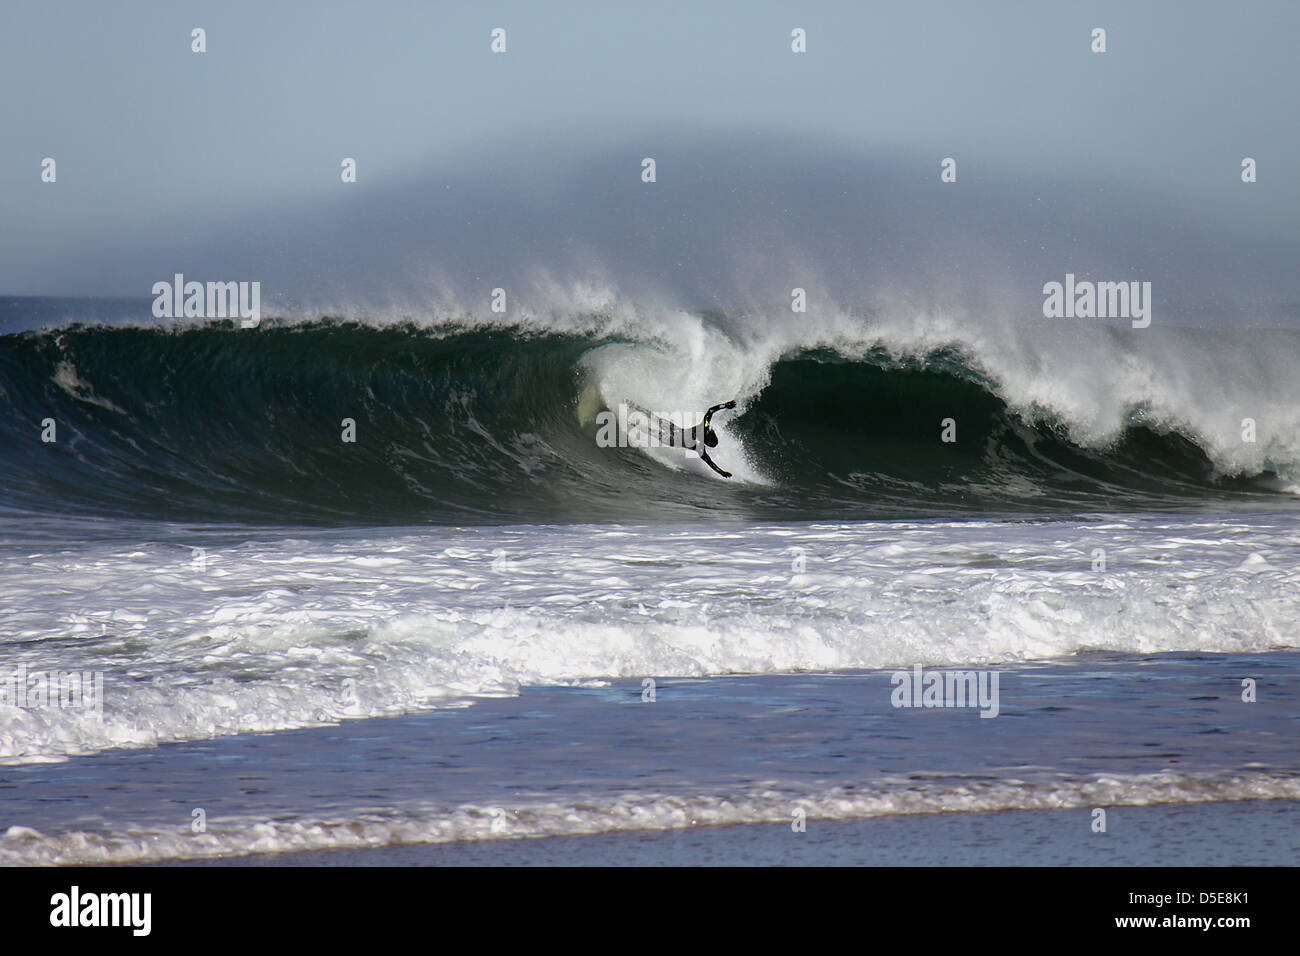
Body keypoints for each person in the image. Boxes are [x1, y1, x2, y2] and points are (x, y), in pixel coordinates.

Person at [627, 399, 738, 478]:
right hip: (675, 430)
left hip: (671, 439)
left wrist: (725, 405)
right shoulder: (703, 432)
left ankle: (633, 422)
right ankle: (635, 407)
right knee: (655, 418)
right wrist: (721, 472)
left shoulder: (700, 444)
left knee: (652, 431)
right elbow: (710, 411)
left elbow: (710, 462)